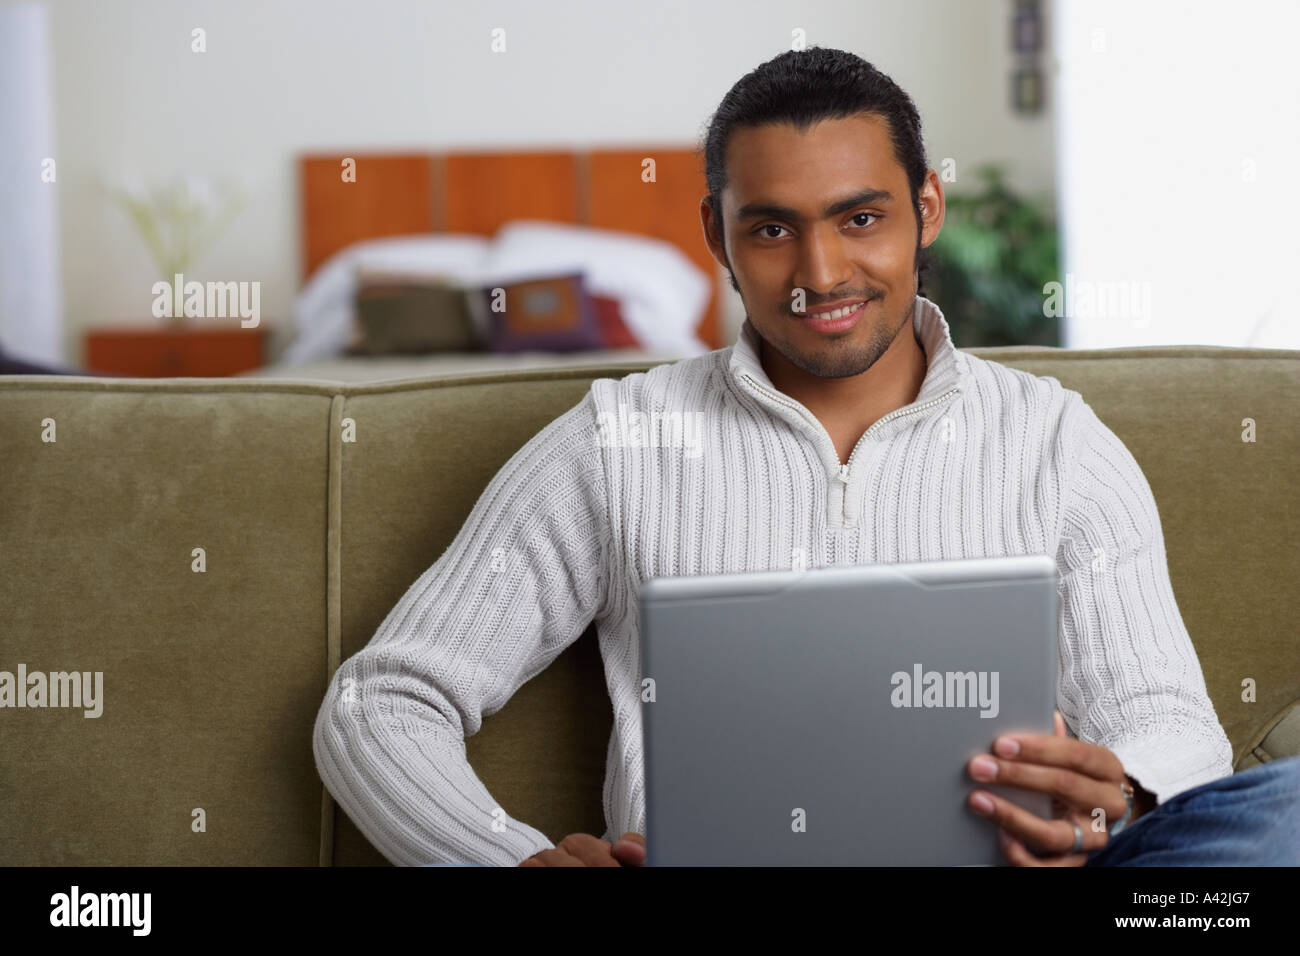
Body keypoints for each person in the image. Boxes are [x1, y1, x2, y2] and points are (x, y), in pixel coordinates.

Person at [313, 46, 1300, 868]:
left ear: (926, 209)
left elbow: (1171, 723)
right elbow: (376, 701)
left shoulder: (1054, 439)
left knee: (1285, 805)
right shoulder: (615, 442)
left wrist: (1120, 791)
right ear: (717, 236)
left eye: (859, 219)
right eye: (773, 229)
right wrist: (507, 858)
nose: (821, 274)